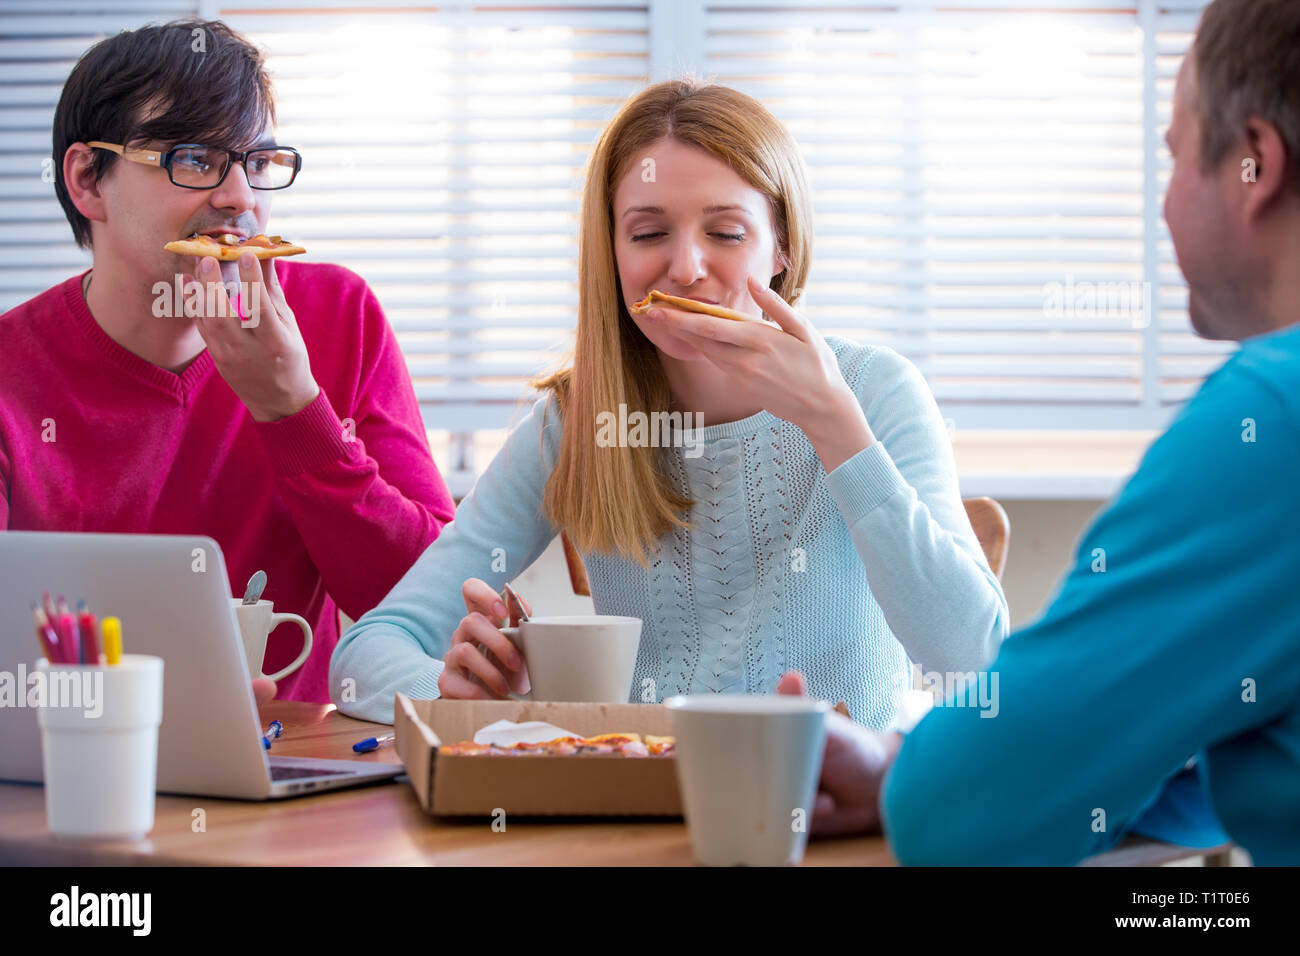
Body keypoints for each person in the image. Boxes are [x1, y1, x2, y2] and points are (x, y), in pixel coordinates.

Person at [781, 0, 1300, 865]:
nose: (1164, 204)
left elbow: (956, 815)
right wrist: (912, 768)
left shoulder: (1269, 425)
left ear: (1256, 164)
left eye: (1175, 157)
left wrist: (922, 780)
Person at [331, 80, 1009, 725]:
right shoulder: (577, 423)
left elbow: (975, 663)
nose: (684, 268)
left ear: (782, 247)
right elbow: (366, 655)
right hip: (640, 796)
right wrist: (465, 700)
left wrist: (836, 427)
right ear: (612, 254)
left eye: (726, 233)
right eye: (649, 234)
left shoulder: (876, 392)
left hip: (835, 798)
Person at [0, 20, 455, 703]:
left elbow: (432, 609)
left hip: (298, 752)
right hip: (74, 747)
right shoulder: (13, 368)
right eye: (194, 158)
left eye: (258, 162)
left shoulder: (340, 316)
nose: (241, 198)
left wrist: (294, 410)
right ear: (88, 180)